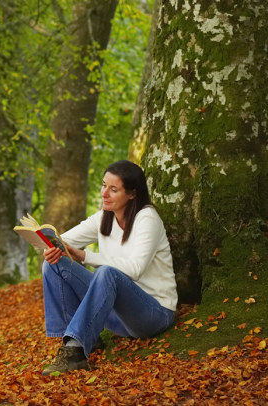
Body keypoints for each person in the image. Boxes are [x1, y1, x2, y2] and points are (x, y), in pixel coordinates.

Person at [39, 160, 177, 375]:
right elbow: (62, 240)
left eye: (113, 189)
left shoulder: (147, 218)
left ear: (132, 194)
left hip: (153, 314)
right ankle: (81, 341)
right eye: (104, 185)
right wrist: (51, 247)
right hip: (117, 316)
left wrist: (85, 255)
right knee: (54, 264)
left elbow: (136, 268)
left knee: (107, 273)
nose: (104, 193)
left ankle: (75, 352)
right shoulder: (104, 217)